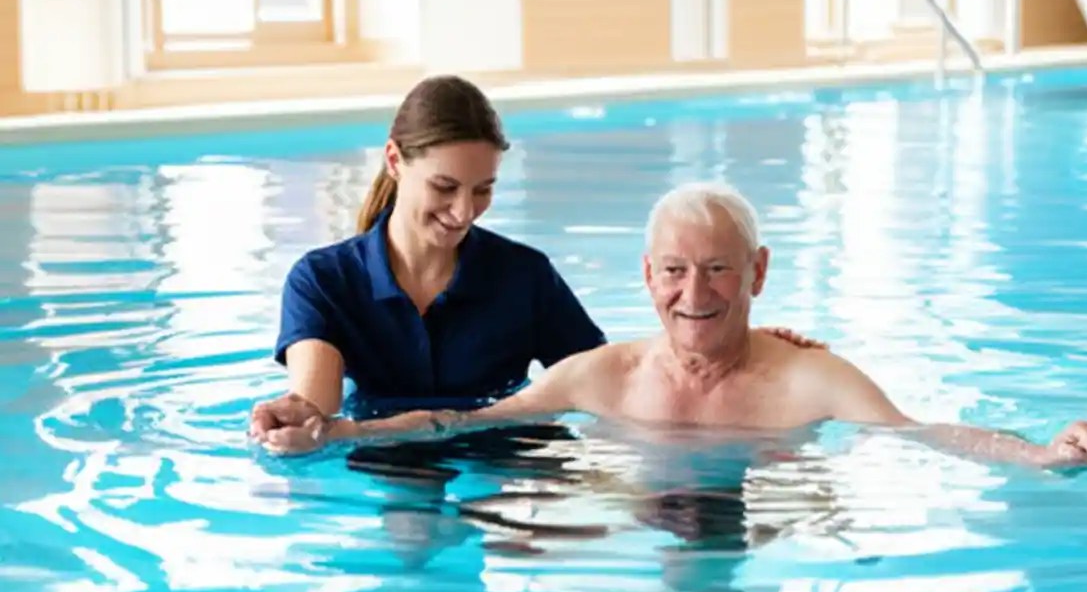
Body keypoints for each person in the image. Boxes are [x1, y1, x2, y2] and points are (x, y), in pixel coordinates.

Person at [256, 181, 1087, 470]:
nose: (694, 292)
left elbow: (926, 435)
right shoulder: (604, 376)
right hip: (633, 519)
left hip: (768, 510)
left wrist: (1044, 453)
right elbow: (461, 422)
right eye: (674, 271)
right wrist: (335, 432)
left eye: (717, 270)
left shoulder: (809, 379)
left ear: (757, 273)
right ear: (647, 278)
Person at [249, 75, 820, 436]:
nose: (464, 212)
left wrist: (736, 343)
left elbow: (614, 379)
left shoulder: (522, 276)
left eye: (483, 190)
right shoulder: (323, 281)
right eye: (445, 188)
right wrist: (300, 417)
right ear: (395, 161)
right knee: (412, 536)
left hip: (512, 461)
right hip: (387, 458)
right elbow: (316, 400)